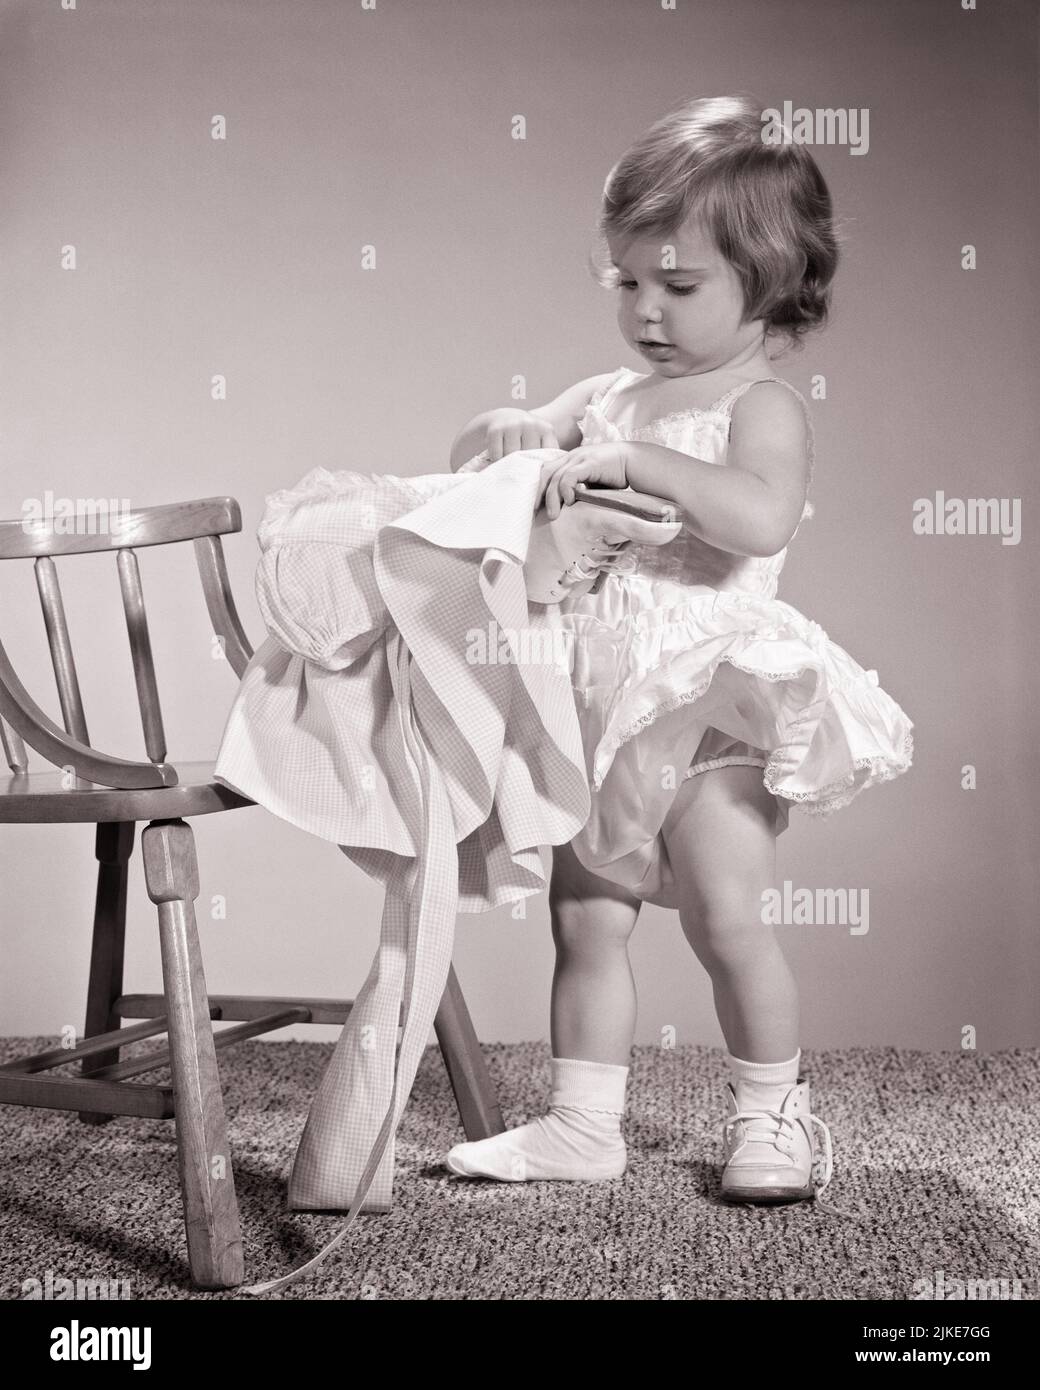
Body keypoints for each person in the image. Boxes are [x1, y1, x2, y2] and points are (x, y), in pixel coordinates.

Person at [441, 94, 913, 1209]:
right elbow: (482, 458)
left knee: (724, 913)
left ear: (774, 279)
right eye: (626, 284)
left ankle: (772, 1116)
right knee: (584, 914)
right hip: (597, 703)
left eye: (679, 286)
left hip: (707, 701)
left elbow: (756, 519)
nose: (646, 312)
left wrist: (643, 465)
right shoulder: (608, 396)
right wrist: (506, 429)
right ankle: (581, 1122)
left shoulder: (758, 404)